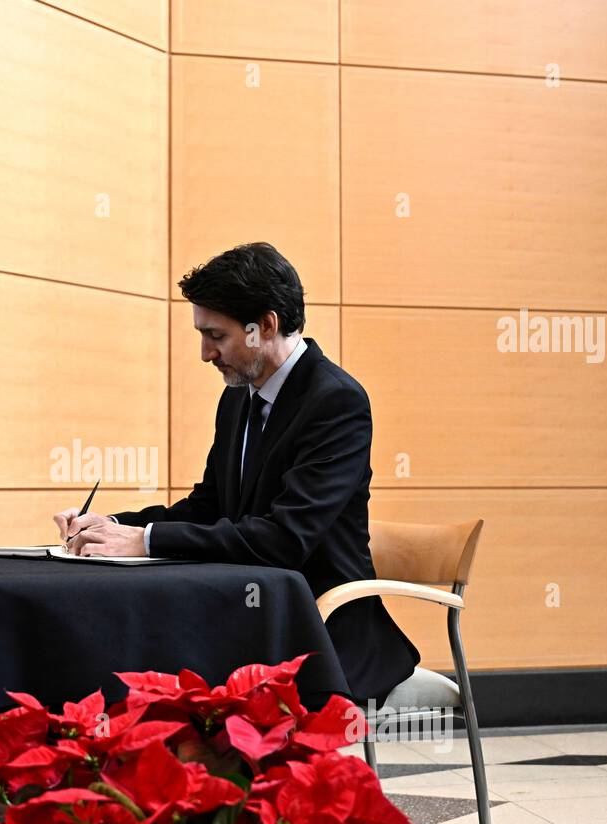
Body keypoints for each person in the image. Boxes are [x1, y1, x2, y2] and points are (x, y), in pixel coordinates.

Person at [52, 242, 419, 706]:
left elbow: (285, 539)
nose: (205, 353)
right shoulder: (238, 397)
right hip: (244, 610)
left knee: (164, 680)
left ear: (264, 325)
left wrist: (145, 542)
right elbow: (209, 507)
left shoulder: (336, 401)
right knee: (132, 666)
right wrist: (113, 526)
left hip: (320, 625)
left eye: (216, 336)